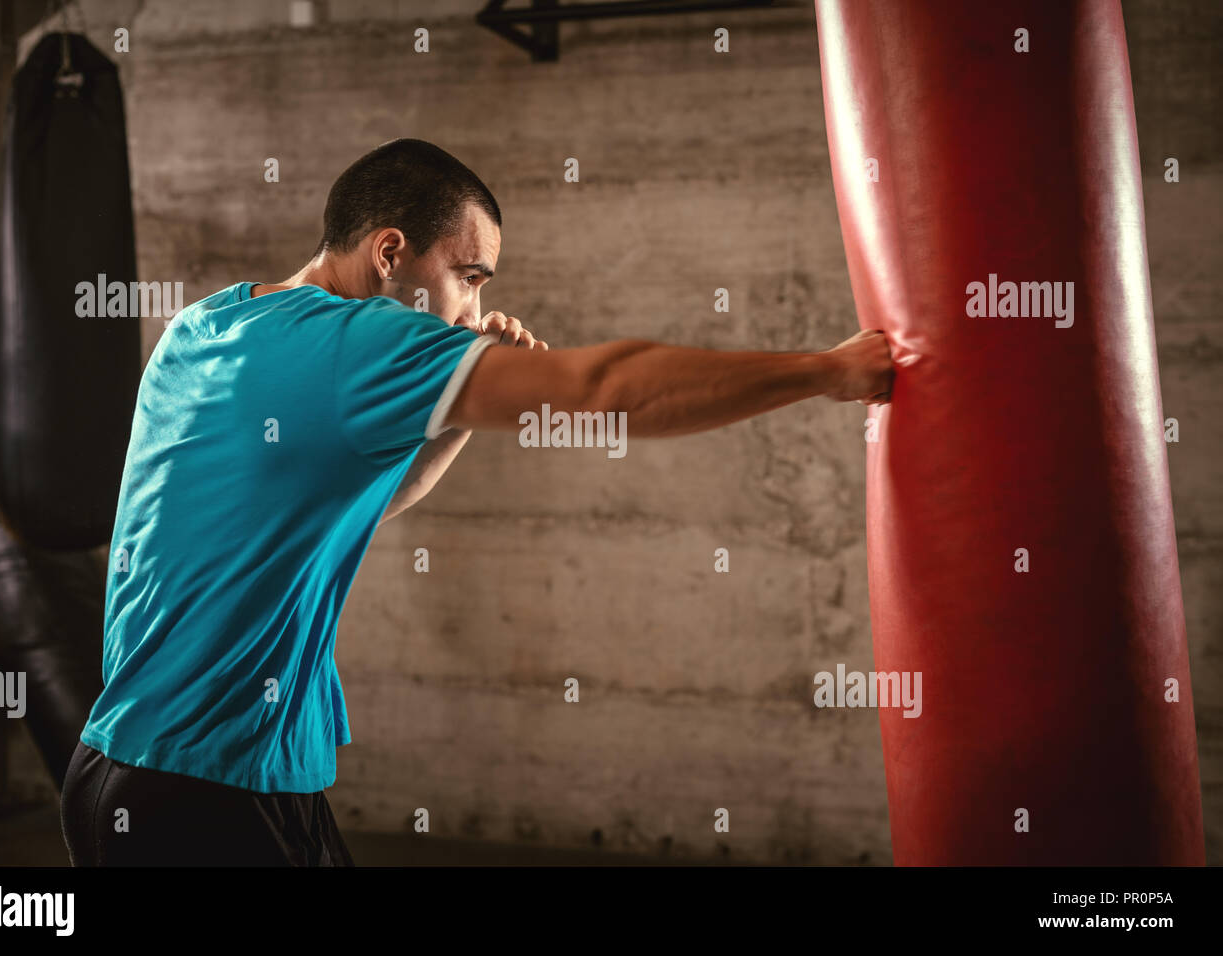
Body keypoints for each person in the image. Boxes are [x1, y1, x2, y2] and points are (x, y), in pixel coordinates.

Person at [61, 137, 894, 866]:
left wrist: (453, 413)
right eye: (467, 276)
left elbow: (362, 501)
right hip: (202, 790)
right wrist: (825, 371)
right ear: (390, 252)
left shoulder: (210, 324)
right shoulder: (362, 343)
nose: (474, 310)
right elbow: (601, 392)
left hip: (130, 768)